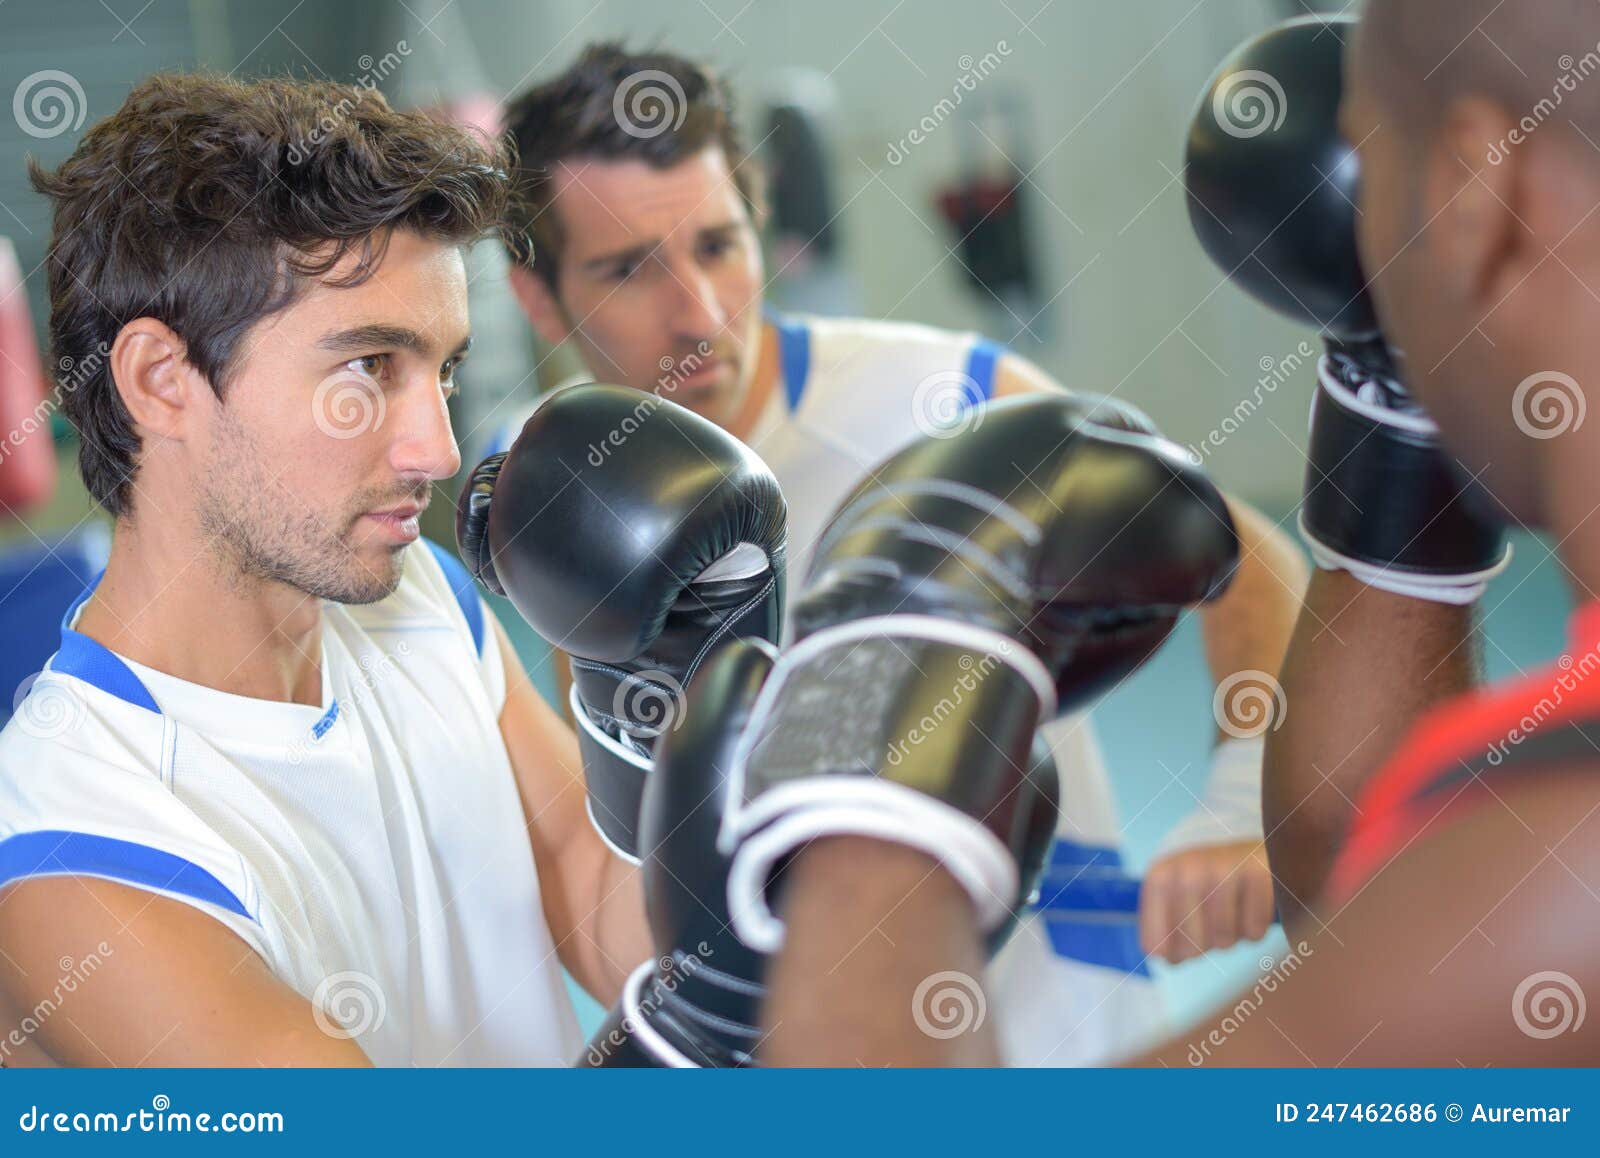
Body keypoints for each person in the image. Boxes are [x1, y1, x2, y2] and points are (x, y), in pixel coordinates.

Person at [759, 1, 1600, 1066]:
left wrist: (878, 721)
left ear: (1478, 193)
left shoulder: (1567, 870)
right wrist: (1390, 392)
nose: (1367, 247)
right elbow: (1366, 895)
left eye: (1378, 173)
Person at [496, 44, 1309, 1064]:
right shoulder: (569, 492)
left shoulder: (951, 397)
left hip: (1056, 1013)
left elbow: (1242, 553)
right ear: (536, 297)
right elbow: (630, 814)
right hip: (807, 1036)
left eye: (717, 244)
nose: (698, 313)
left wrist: (1242, 795)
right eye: (628, 269)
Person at [0, 74, 785, 1066]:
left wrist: (738, 823)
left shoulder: (413, 596)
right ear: (162, 382)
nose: (440, 450)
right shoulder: (76, 854)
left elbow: (587, 887)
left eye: (442, 370)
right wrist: (701, 1029)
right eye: (369, 367)